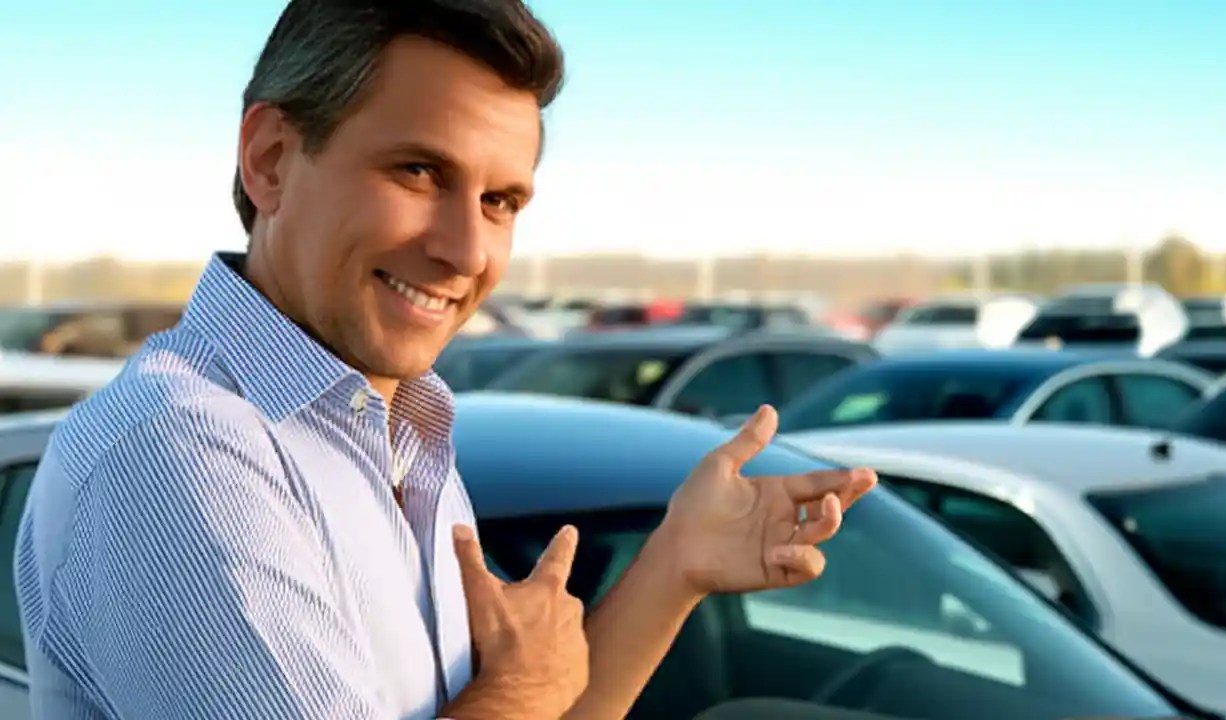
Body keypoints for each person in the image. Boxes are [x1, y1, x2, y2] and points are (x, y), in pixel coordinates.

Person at [14, 1, 877, 718]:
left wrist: (672, 564)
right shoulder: (175, 455)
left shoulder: (394, 434)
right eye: (420, 171)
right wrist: (523, 688)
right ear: (271, 160)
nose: (467, 251)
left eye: (500, 201)